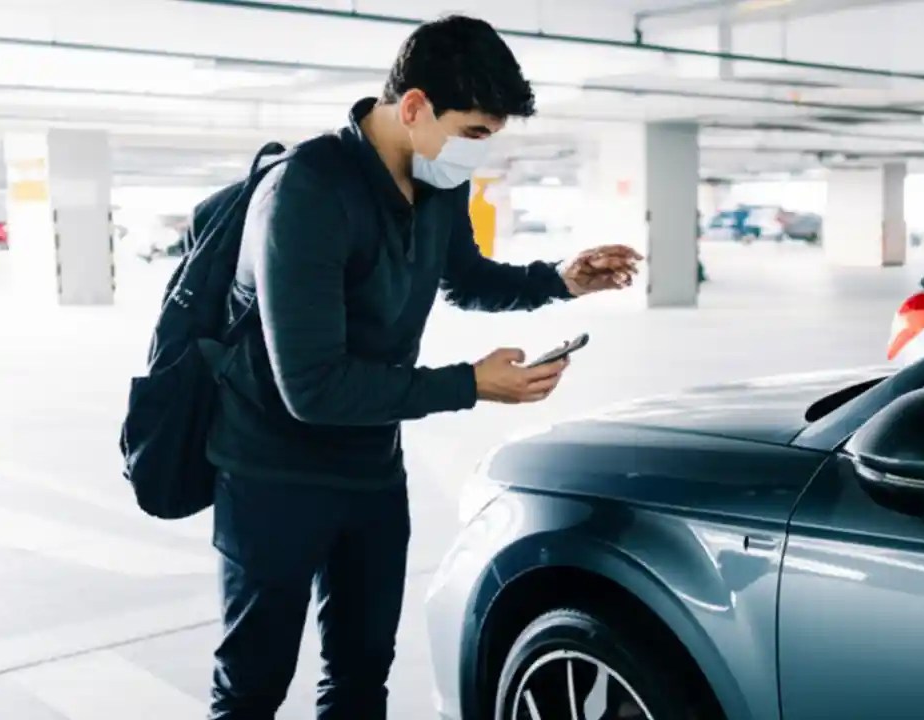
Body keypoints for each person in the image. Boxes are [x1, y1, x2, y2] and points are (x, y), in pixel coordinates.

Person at [204, 15, 641, 719]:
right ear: (413, 106)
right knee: (252, 689)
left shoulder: (436, 180)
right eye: (473, 134)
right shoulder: (306, 192)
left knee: (359, 676)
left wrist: (560, 279)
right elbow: (312, 388)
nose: (477, 156)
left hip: (371, 470)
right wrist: (469, 385)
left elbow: (464, 279)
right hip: (272, 478)